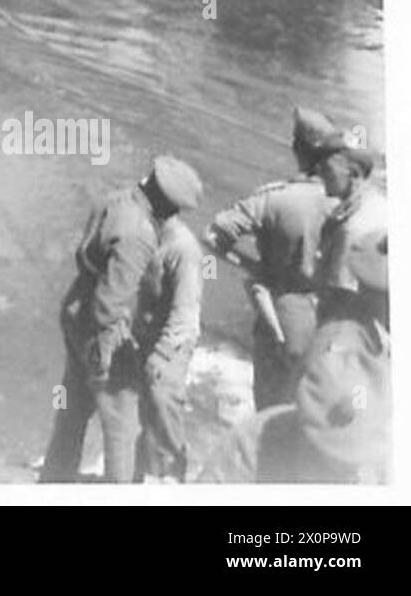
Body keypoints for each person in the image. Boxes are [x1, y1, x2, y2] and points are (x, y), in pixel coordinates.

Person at [39, 155, 202, 484]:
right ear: (164, 202)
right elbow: (109, 305)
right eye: (172, 209)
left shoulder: (113, 199)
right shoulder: (140, 233)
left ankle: (54, 480)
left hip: (75, 308)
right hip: (100, 329)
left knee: (72, 407)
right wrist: (114, 352)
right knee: (123, 427)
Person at [200, 227, 390, 484]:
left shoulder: (341, 326)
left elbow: (212, 237)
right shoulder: (344, 342)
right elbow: (342, 403)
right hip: (316, 435)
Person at [204, 107, 339, 409]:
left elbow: (213, 236)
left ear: (296, 149)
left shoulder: (271, 198)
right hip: (329, 317)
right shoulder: (344, 203)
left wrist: (252, 265)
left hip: (279, 312)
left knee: (269, 407)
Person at [133, 211, 203, 482]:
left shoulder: (183, 249)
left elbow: (184, 313)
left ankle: (174, 479)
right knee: (149, 417)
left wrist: (161, 356)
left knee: (165, 415)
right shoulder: (155, 239)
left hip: (170, 346)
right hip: (149, 339)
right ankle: (147, 476)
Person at [313, 130, 387, 324]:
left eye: (326, 168)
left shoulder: (354, 227)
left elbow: (339, 300)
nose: (319, 172)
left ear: (353, 173)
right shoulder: (373, 204)